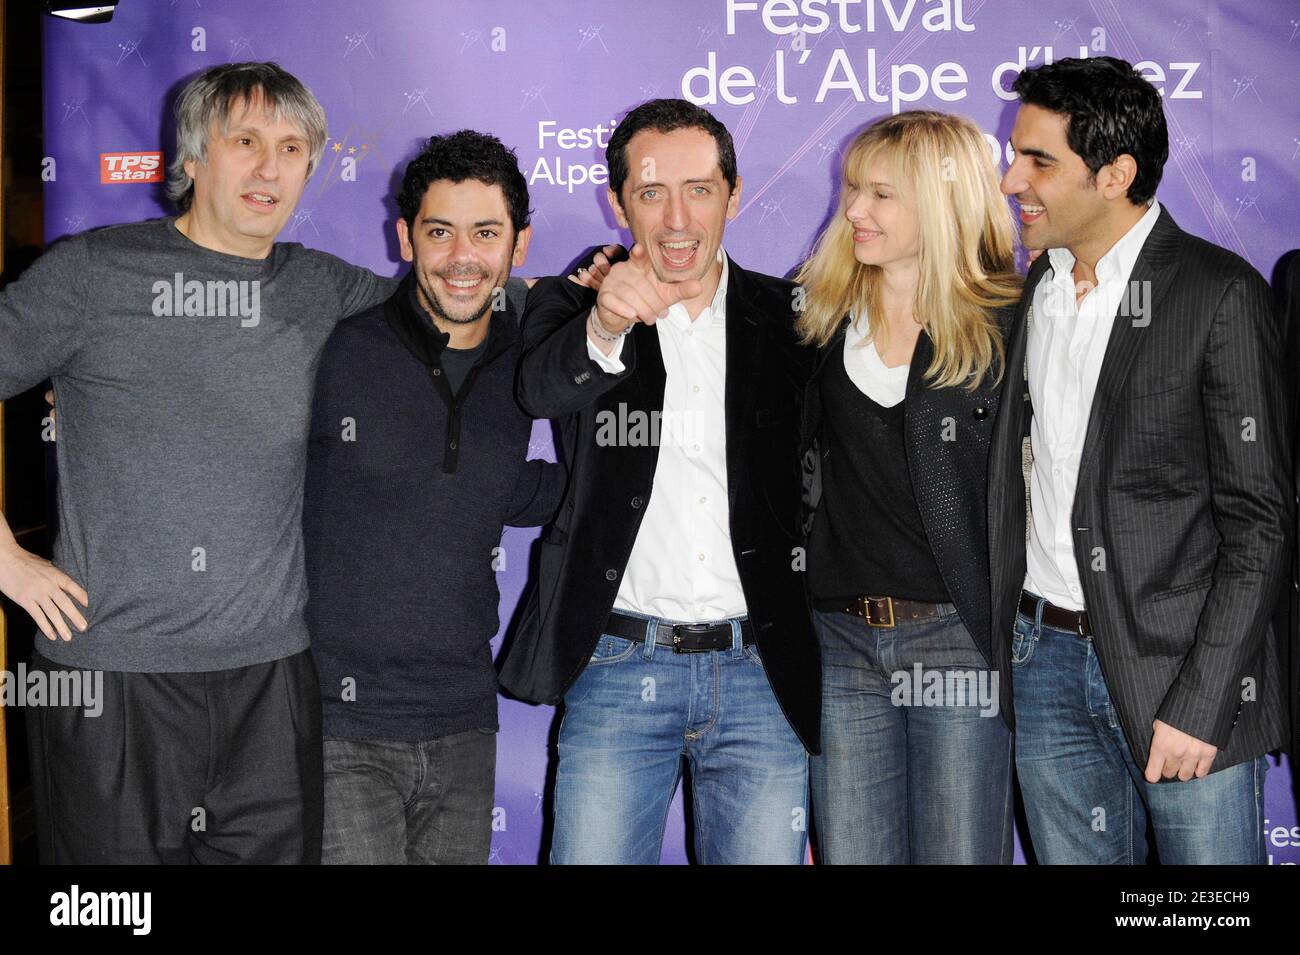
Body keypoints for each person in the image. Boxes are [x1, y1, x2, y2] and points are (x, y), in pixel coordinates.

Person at [0, 62, 395, 863]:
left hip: (272, 681)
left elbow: (455, 309)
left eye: (292, 148)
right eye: (245, 141)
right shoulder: (92, 274)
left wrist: (594, 294)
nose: (270, 168)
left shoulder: (321, 287)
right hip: (112, 677)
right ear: (191, 159)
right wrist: (3, 557)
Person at [499, 98, 819, 865]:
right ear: (619, 203)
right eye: (650, 192)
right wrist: (605, 325)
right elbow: (539, 389)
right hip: (617, 665)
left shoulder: (797, 318)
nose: (677, 218)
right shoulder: (573, 302)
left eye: (699, 189)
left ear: (734, 196)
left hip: (762, 675)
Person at [989, 56, 1291, 864]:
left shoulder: (1215, 292)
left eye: (1038, 160)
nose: (1012, 178)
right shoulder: (1030, 293)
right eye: (1015, 154)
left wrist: (1204, 698)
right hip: (1042, 661)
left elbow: (1261, 521)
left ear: (1115, 173)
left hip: (1182, 673)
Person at [304, 130, 559, 864]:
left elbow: (509, 485)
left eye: (486, 232)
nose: (462, 257)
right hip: (340, 723)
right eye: (439, 231)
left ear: (520, 243)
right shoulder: (342, 348)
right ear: (405, 237)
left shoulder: (529, 358)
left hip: (466, 721)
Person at [794, 110, 1023, 864]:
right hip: (841, 641)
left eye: (880, 195)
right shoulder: (818, 315)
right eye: (853, 189)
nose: (854, 209)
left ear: (941, 203)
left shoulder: (1008, 323)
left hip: (959, 638)